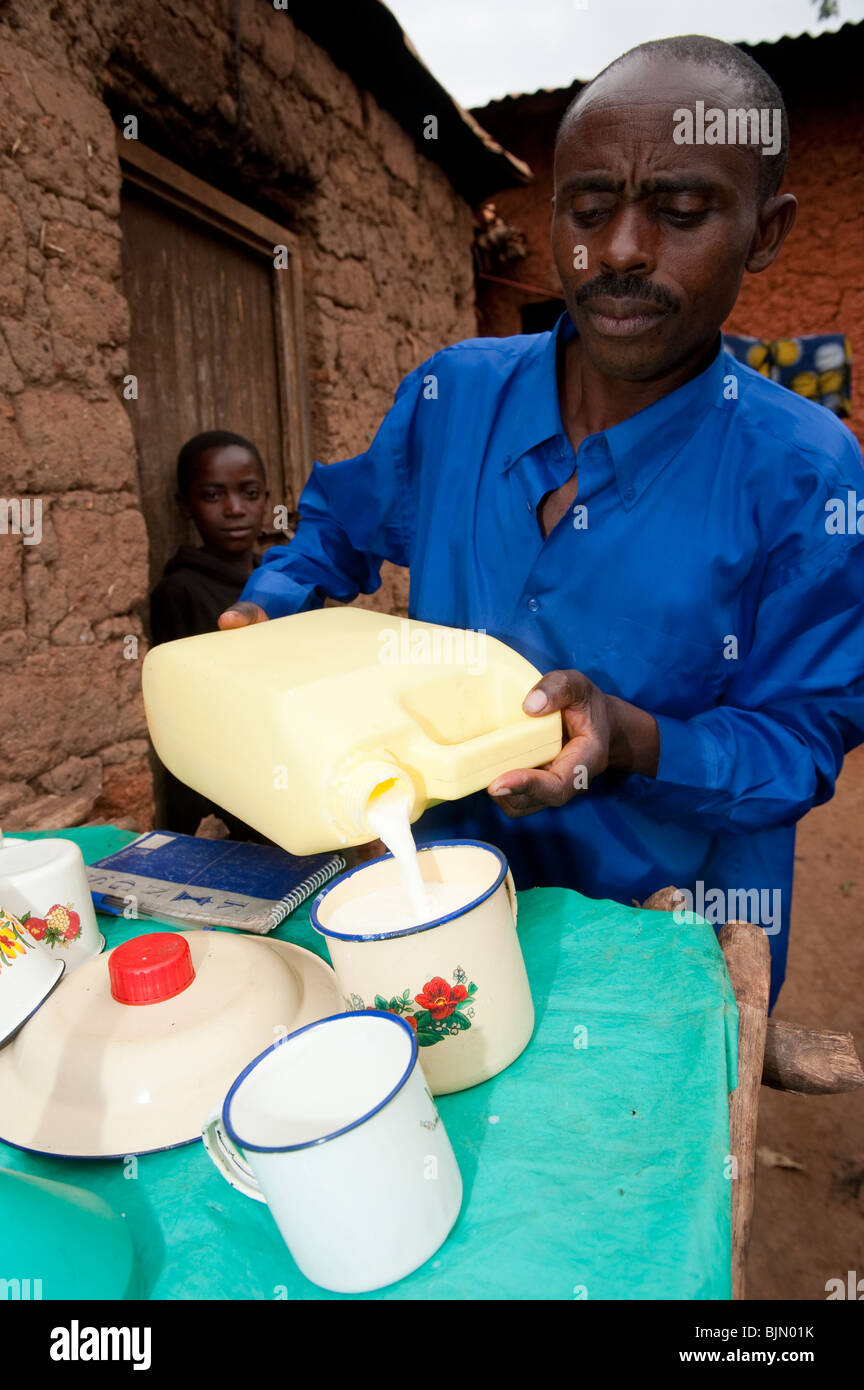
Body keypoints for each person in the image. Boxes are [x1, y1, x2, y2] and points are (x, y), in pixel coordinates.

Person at [218, 36, 864, 1010]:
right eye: (588, 210)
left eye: (682, 213)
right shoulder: (452, 397)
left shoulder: (808, 473)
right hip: (431, 900)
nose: (619, 252)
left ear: (766, 231)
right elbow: (336, 530)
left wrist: (636, 740)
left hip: (656, 928)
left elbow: (800, 741)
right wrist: (272, 606)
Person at [150, 430, 269, 836]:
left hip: (280, 764)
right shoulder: (181, 589)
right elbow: (182, 708)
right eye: (213, 496)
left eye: (249, 493)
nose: (235, 509)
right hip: (224, 786)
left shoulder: (276, 583)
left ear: (267, 498)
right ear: (185, 506)